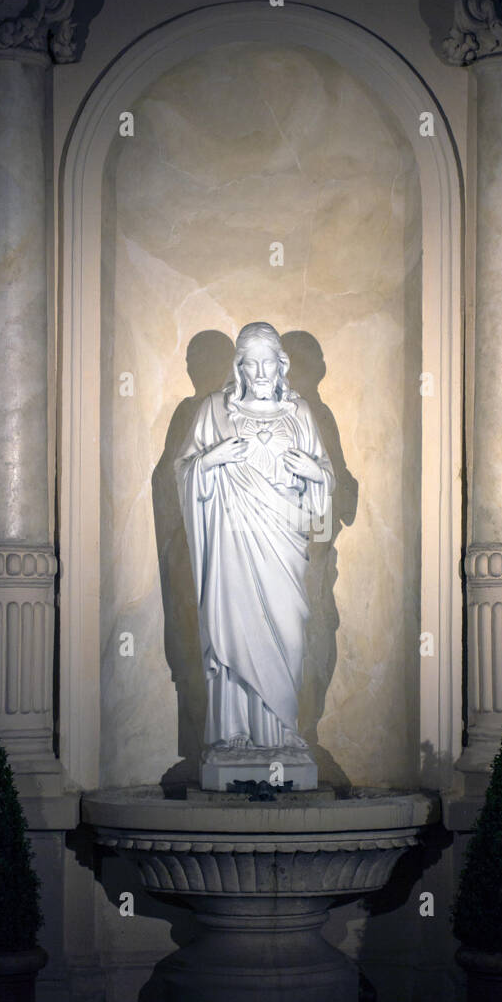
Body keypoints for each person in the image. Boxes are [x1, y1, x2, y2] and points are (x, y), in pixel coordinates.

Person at [175, 321, 334, 755]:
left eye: (269, 363)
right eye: (253, 364)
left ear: (281, 366)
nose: (262, 373)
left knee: (288, 634)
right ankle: (232, 735)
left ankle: (281, 731)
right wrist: (210, 461)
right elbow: (183, 475)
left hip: (283, 544)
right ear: (239, 367)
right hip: (232, 547)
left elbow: (326, 492)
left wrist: (315, 474)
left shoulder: (301, 413)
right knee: (233, 627)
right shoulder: (214, 410)